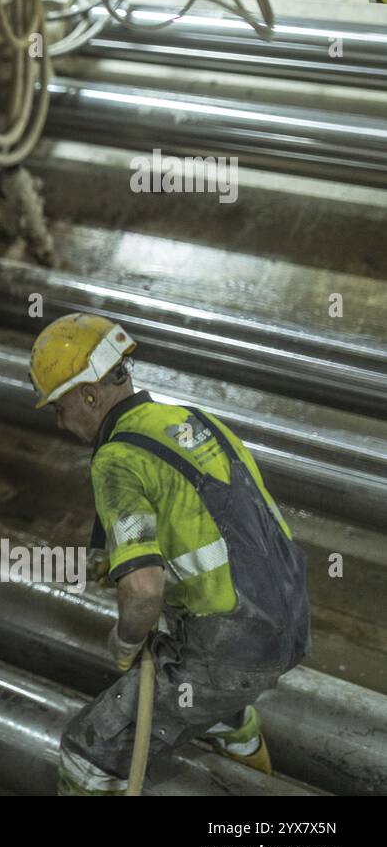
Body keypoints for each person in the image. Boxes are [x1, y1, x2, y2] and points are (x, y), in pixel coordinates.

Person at [29, 313, 311, 794]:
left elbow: (142, 589)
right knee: (214, 704)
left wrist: (125, 640)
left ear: (90, 395)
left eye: (59, 407)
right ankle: (246, 759)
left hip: (230, 649)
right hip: (289, 623)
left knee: (86, 754)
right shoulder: (192, 420)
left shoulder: (116, 458)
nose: (61, 421)